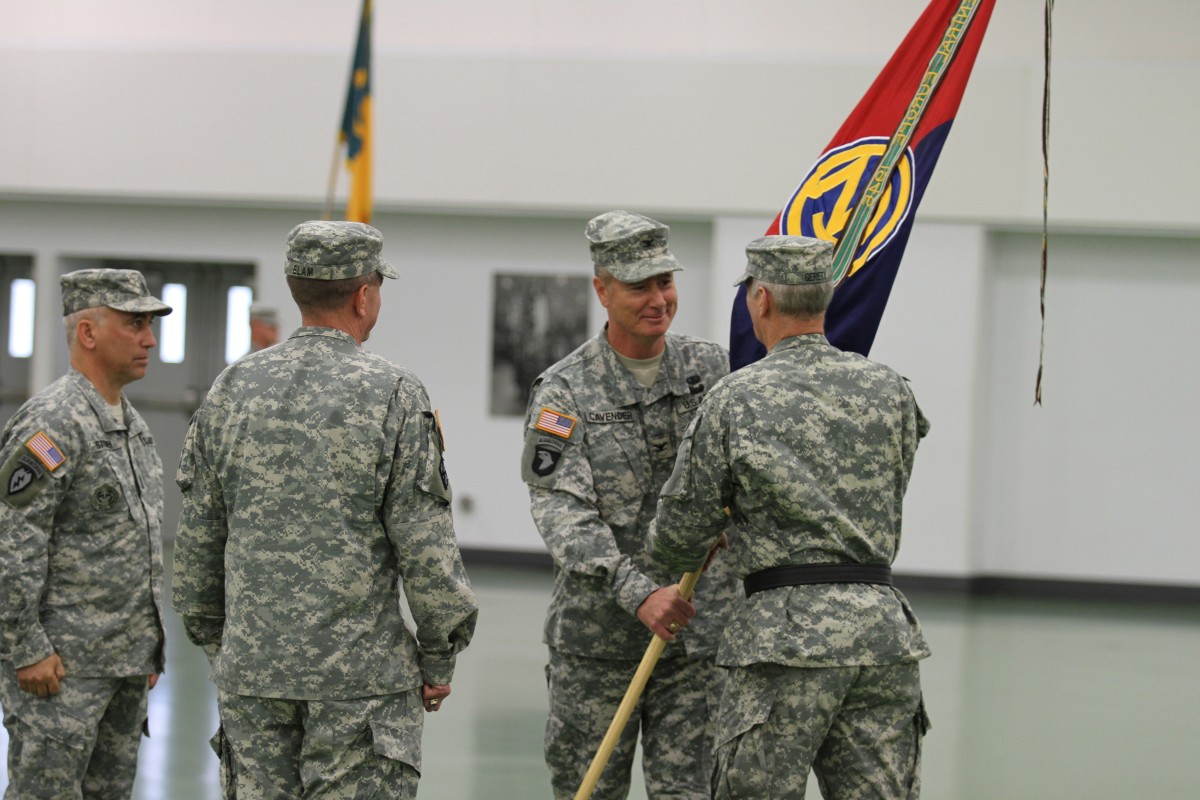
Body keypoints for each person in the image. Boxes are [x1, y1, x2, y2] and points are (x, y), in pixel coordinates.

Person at [172, 220, 478, 798]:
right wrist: (439, 656)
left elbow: (197, 545)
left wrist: (222, 644)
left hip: (252, 675)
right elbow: (426, 546)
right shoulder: (394, 393)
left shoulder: (230, 389)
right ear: (364, 295)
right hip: (358, 686)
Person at [647, 234, 932, 800]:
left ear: (761, 300)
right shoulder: (891, 390)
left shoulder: (735, 398)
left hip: (785, 640)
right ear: (824, 300)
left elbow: (678, 540)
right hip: (882, 638)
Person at [521, 210, 738, 799]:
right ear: (602, 289)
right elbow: (561, 509)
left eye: (665, 282)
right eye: (639, 285)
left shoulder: (715, 372)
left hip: (697, 637)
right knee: (588, 789)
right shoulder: (564, 391)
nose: (658, 299)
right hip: (598, 644)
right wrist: (638, 592)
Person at [0, 269, 171, 796]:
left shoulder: (129, 423)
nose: (149, 338)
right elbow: (12, 540)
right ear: (89, 333)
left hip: (121, 666)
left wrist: (145, 650)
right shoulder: (54, 422)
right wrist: (25, 647)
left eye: (149, 324)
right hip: (60, 670)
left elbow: (132, 544)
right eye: (134, 324)